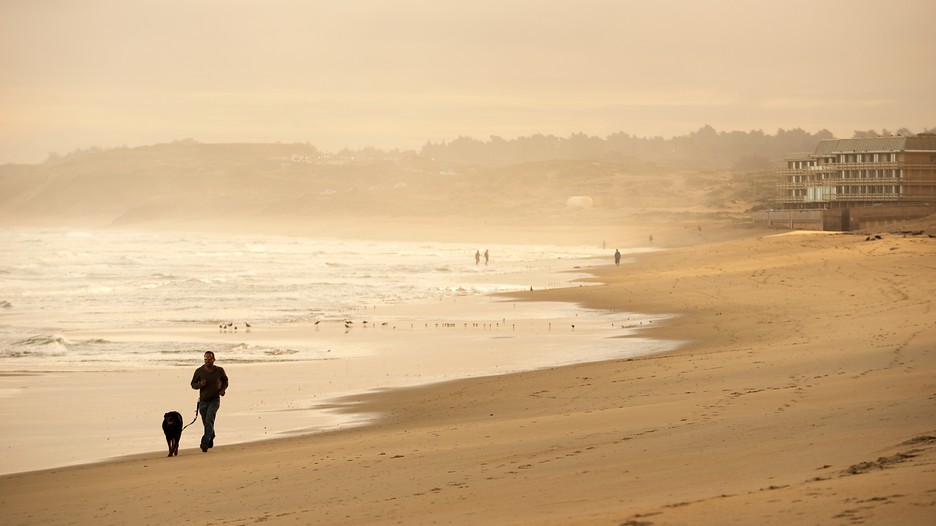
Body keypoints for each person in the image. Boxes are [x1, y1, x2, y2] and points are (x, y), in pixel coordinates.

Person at [190, 351, 229, 452]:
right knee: (206, 422)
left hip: (214, 400)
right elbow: (193, 384)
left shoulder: (219, 370)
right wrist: (200, 384)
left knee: (209, 420)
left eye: (209, 359)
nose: (207, 361)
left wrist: (223, 390)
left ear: (214, 359)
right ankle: (211, 435)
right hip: (203, 401)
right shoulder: (199, 371)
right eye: (205, 359)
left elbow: (225, 381)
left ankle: (205, 442)